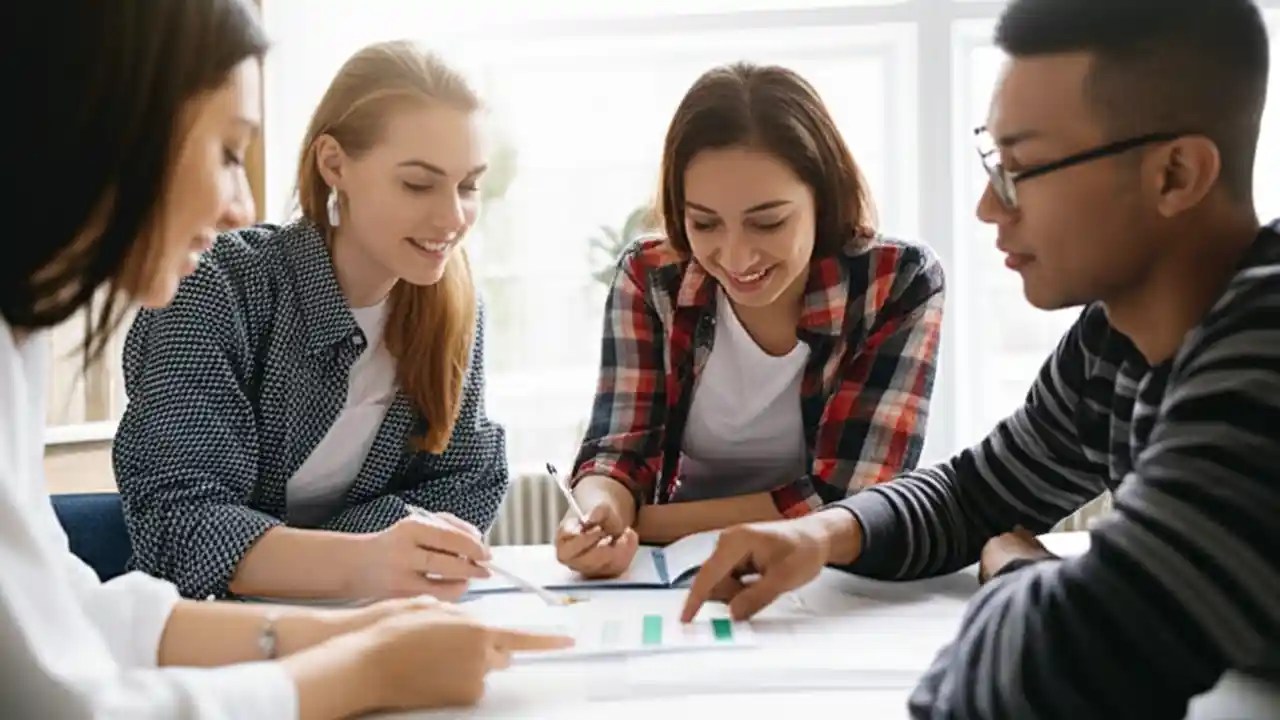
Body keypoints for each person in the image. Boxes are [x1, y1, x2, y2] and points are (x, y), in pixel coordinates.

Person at [682, 0, 1278, 717]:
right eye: (994, 162)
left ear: (1175, 175)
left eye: (1021, 168)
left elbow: (1050, 675)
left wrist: (1017, 568)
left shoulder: (1262, 345)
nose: (988, 209)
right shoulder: (1114, 343)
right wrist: (818, 533)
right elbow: (977, 494)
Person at [2, 2, 568, 718]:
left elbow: (77, 615)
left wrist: (356, 625)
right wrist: (364, 645)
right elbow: (165, 549)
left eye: (467, 184)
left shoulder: (17, 338)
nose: (241, 203)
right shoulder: (217, 284)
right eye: (229, 154)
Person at [113, 40, 509, 602]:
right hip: (215, 638)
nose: (452, 218)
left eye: (468, 186)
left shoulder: (455, 307)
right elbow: (181, 525)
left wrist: (335, 557)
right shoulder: (216, 287)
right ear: (334, 165)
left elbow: (470, 485)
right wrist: (369, 554)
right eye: (418, 184)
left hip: (368, 620)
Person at [558, 62, 944, 578]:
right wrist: (599, 507)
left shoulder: (896, 281)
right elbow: (619, 449)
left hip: (831, 572)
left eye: (768, 222)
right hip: (674, 569)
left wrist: (646, 521)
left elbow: (850, 496)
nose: (736, 257)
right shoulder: (652, 276)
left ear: (822, 199)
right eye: (704, 223)